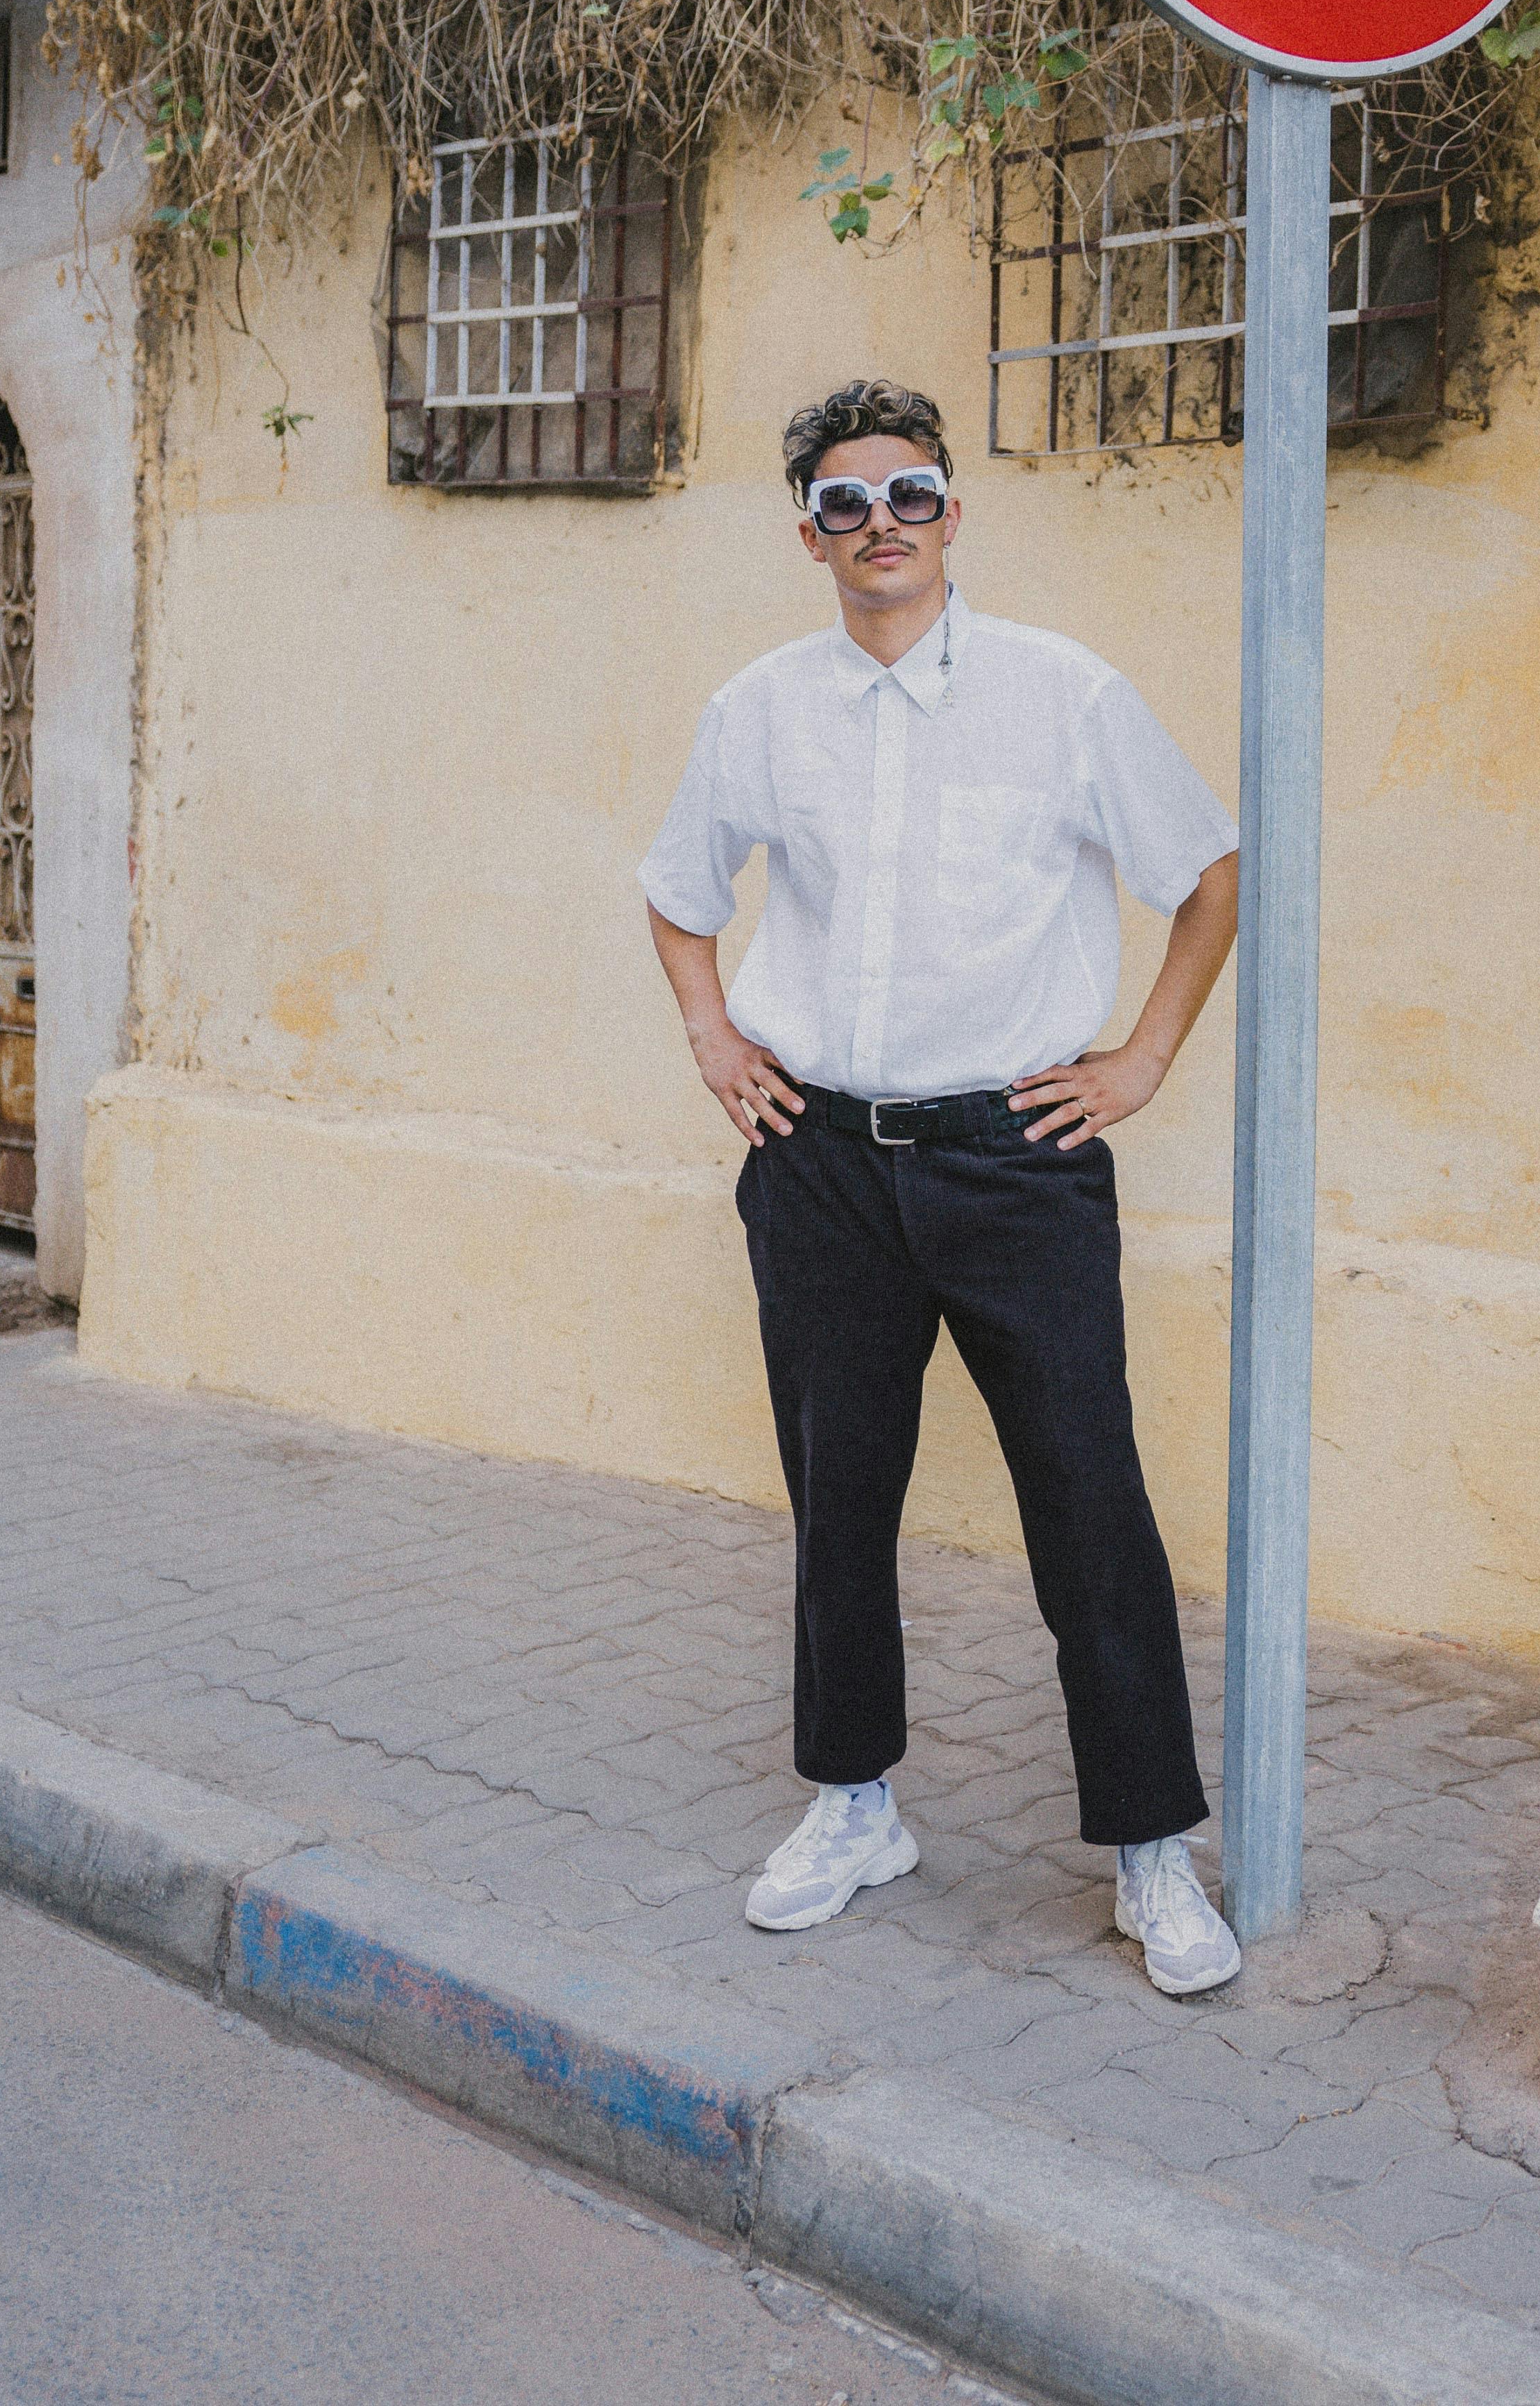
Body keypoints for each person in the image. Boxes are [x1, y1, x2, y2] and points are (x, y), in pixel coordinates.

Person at [640, 378, 1245, 1996]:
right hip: (820, 1159)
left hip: (1017, 1161)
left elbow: (1204, 875)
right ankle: (854, 1807)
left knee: (1086, 1500)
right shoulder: (759, 708)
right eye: (845, 504)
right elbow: (680, 891)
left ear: (951, 514)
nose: (879, 526)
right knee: (842, 1500)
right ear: (810, 534)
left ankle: (1151, 1850)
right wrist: (715, 1036)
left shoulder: (1065, 694)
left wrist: (1143, 1062)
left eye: (908, 494)